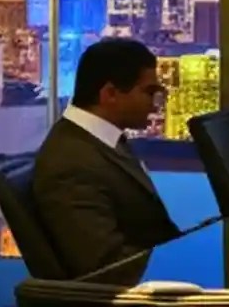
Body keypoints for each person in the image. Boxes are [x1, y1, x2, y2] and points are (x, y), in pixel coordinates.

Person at [32, 38, 180, 285]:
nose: (155, 104)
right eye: (149, 92)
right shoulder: (70, 164)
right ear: (110, 94)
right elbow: (107, 268)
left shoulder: (101, 139)